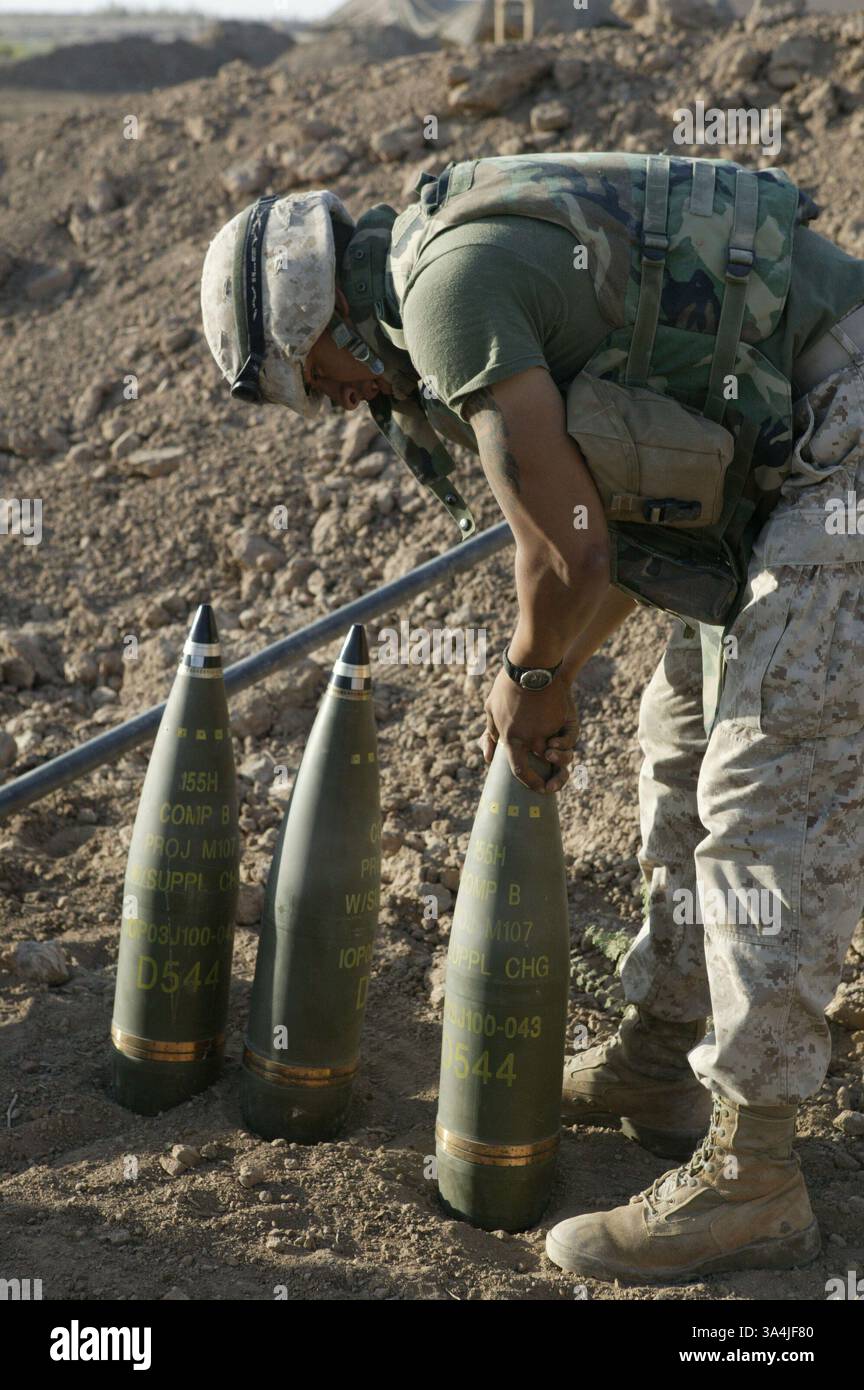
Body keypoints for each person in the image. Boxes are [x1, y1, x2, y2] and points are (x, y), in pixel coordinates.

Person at [201, 154, 864, 1282]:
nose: (333, 403)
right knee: (680, 730)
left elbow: (567, 548)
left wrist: (529, 666)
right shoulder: (439, 279)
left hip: (841, 440)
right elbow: (603, 537)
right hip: (793, 451)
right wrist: (547, 672)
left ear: (318, 314)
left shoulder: (450, 298)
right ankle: (658, 1052)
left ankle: (756, 1177)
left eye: (311, 379)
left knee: (766, 782)